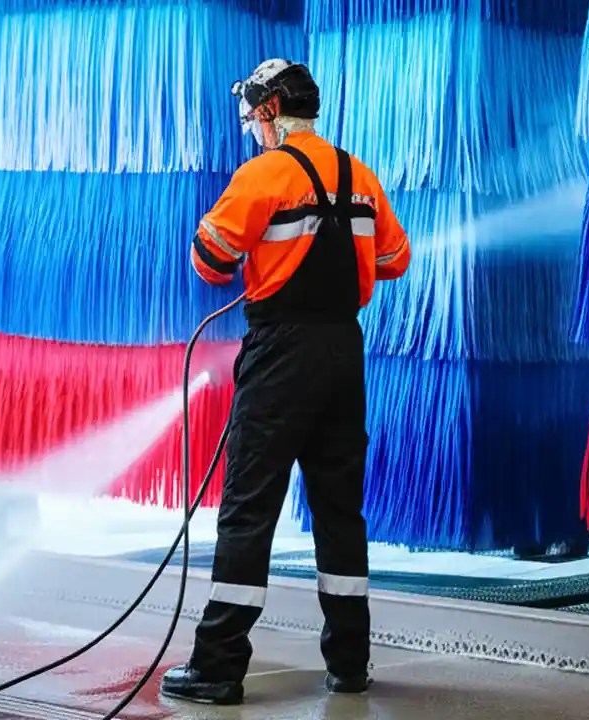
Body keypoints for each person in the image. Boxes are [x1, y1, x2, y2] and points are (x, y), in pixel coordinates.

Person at [160, 58, 410, 705]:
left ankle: (216, 667)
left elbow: (210, 258)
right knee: (338, 510)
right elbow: (395, 260)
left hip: (280, 356)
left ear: (270, 111)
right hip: (341, 353)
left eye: (251, 117)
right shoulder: (359, 175)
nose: (250, 128)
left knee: (249, 508)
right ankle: (350, 662)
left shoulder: (264, 173)